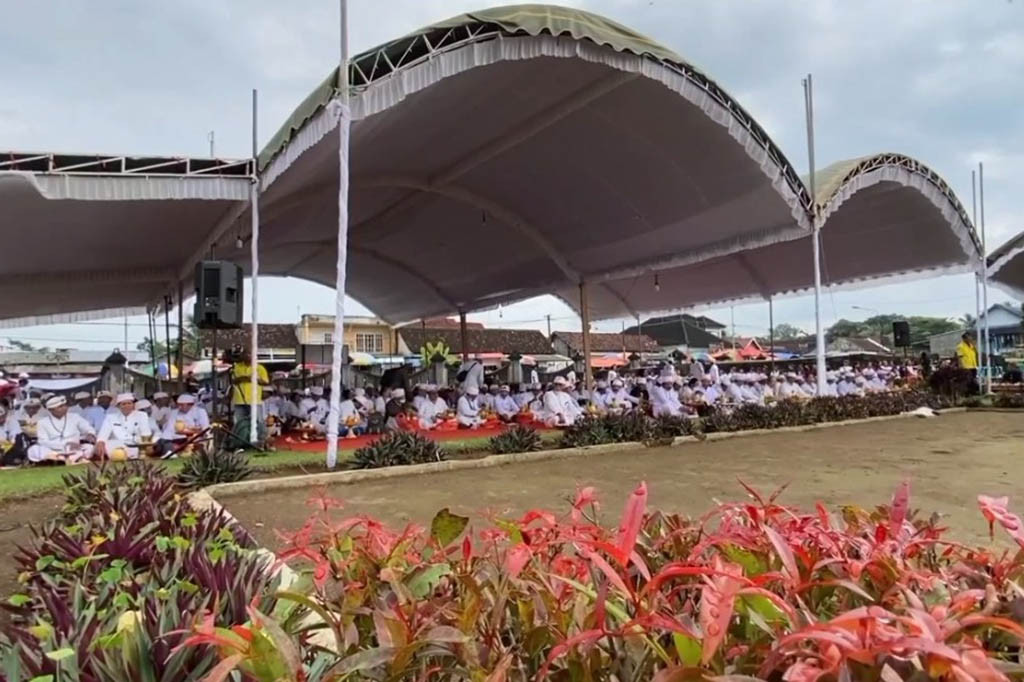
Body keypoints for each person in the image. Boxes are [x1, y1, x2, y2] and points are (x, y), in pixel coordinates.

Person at [28, 395, 96, 464]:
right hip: (53, 449)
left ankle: (60, 460)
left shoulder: (75, 417)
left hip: (74, 448)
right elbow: (43, 441)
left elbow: (88, 428)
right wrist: (64, 444)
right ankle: (70, 459)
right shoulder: (42, 422)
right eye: (60, 407)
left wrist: (90, 434)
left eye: (65, 405)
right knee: (34, 449)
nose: (65, 408)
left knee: (90, 447)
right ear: (51, 410)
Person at [96, 393, 153, 460]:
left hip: (136, 444)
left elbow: (146, 433)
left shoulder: (142, 415)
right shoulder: (111, 417)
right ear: (118, 406)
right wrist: (100, 442)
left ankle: (125, 455)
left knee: (142, 447)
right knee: (106, 444)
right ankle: (123, 455)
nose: (127, 406)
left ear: (133, 405)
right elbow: (103, 433)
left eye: (129, 403)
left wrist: (147, 445)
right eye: (123, 404)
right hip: (118, 444)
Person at [230, 346, 269, 441]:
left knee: (258, 421)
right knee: (240, 422)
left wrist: (253, 379)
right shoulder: (237, 367)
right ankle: (241, 441)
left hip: (254, 400)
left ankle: (261, 440)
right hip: (239, 399)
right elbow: (233, 380)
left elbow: (265, 382)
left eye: (249, 354)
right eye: (245, 354)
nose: (247, 356)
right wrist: (242, 378)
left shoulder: (259, 368)